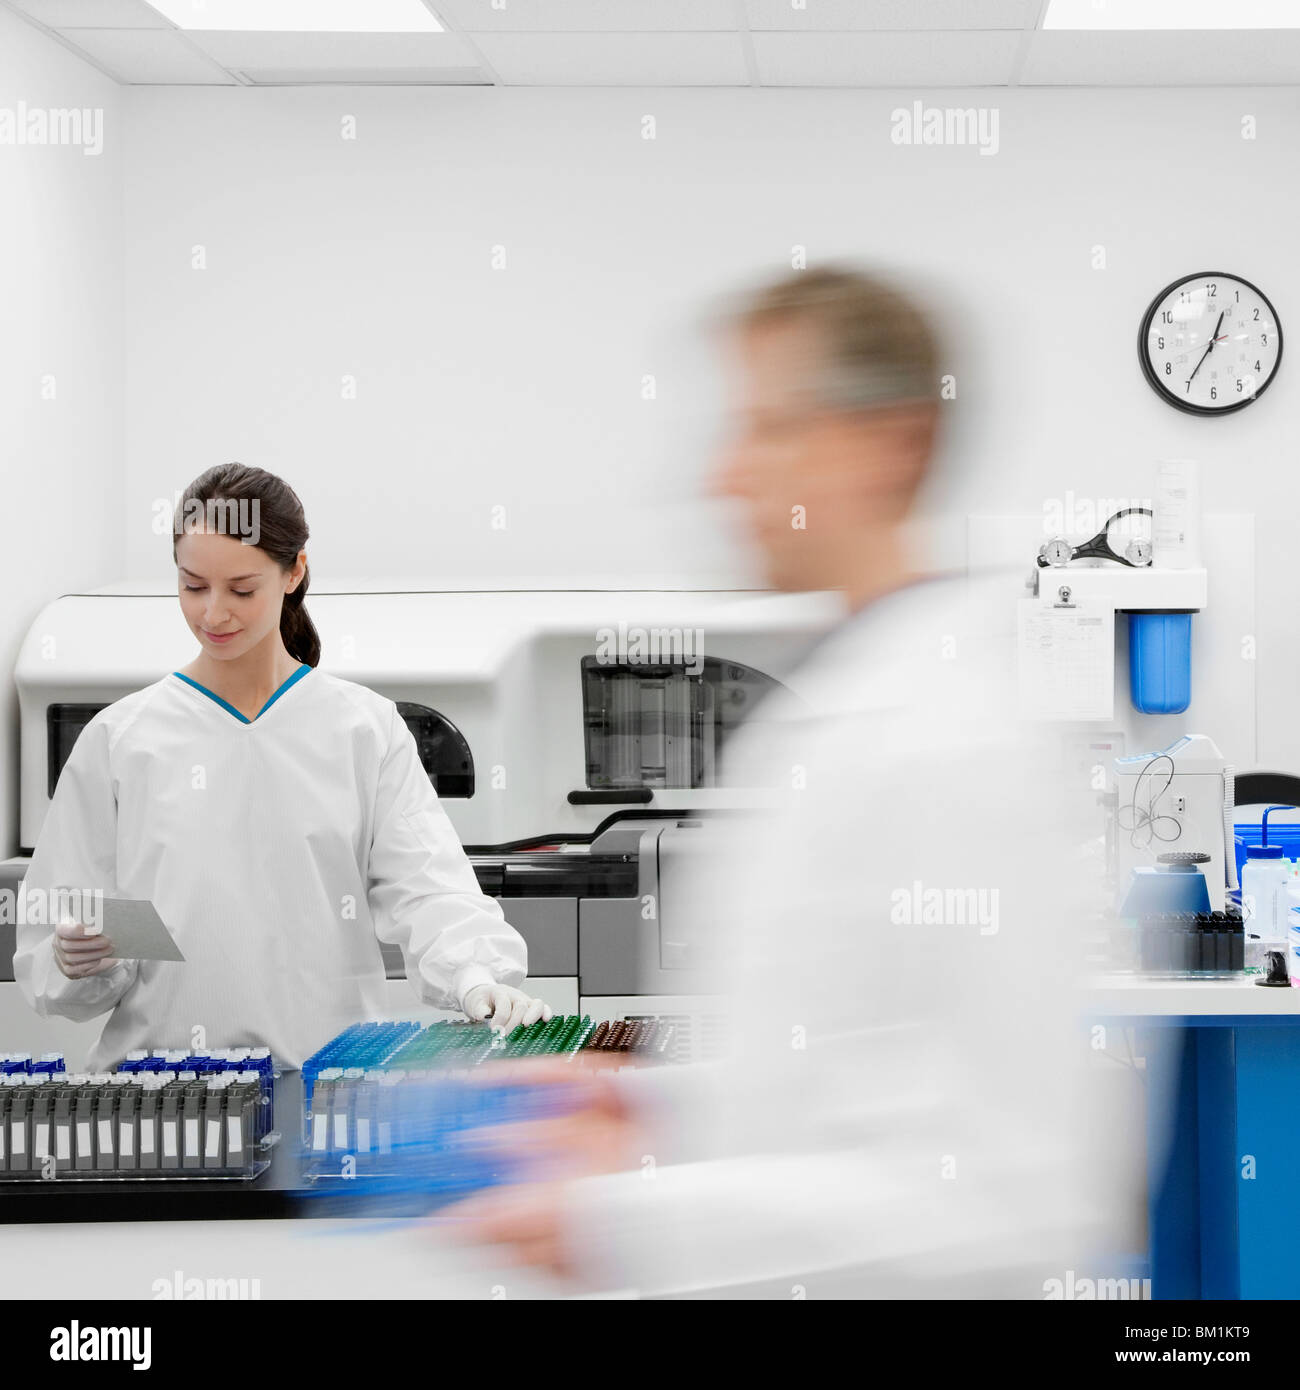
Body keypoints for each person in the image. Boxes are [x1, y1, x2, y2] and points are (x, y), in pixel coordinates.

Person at [452, 268, 1133, 1296]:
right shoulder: (852, 699)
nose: (724, 478)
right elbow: (842, 1072)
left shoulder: (958, 739)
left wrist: (617, 1221)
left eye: (767, 430)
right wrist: (657, 1110)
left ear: (889, 443)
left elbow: (1014, 1183)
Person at [15, 464, 551, 1070]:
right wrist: (80, 958)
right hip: (163, 1098)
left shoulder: (362, 730)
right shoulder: (119, 741)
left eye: (242, 589)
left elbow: (428, 888)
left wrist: (477, 976)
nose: (214, 614)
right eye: (193, 586)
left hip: (332, 1091)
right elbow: (60, 933)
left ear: (294, 571)